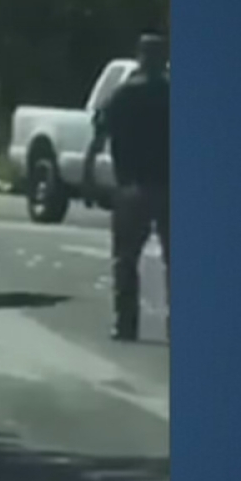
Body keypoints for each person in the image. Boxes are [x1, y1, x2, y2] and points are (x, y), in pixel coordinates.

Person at [83, 33, 170, 342]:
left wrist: (88, 177)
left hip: (132, 187)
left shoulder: (122, 95)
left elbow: (98, 138)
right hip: (170, 188)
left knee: (125, 258)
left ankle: (125, 322)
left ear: (139, 57)